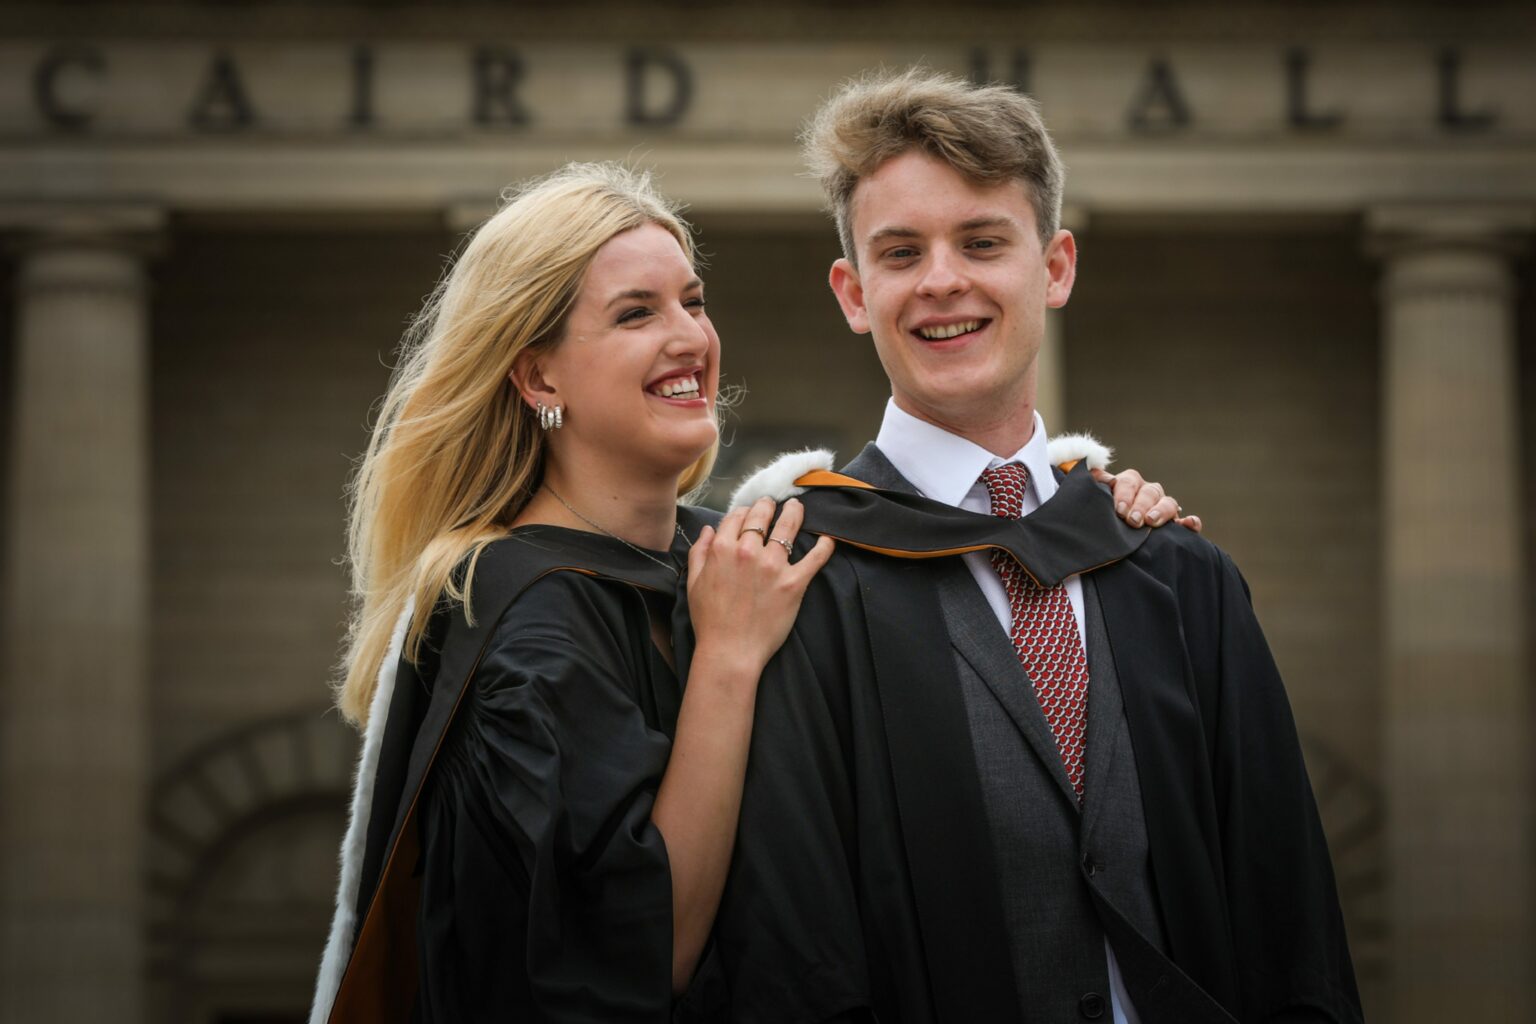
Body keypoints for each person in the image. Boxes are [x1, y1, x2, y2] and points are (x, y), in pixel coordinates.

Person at [307, 162, 1188, 1022]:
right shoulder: (523, 617)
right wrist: (727, 660)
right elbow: (640, 963)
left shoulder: (725, 550)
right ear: (539, 378)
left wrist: (1084, 509)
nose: (690, 338)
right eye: (635, 314)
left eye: (692, 301)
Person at [712, 69, 1362, 1023]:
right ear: (854, 293)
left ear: (1054, 267)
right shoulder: (795, 580)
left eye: (982, 242)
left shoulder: (1178, 575)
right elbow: (792, 954)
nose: (943, 280)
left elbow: (1291, 924)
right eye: (901, 252)